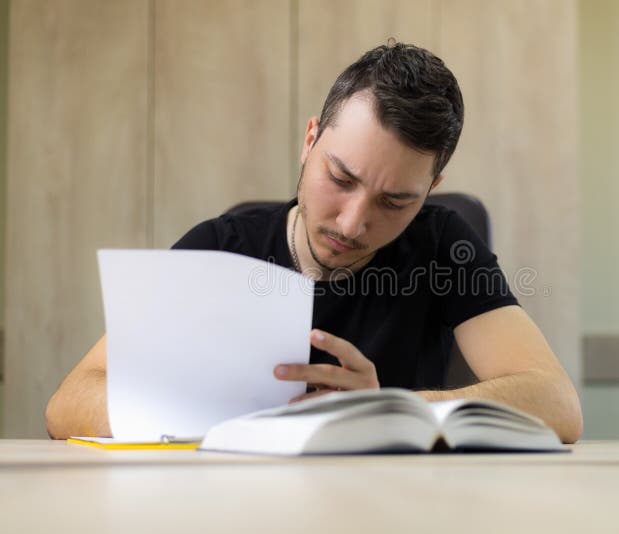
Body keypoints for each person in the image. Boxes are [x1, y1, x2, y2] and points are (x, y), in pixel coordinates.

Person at [45, 43, 582, 443]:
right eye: (341, 178)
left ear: (430, 190)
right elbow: (68, 402)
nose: (352, 224)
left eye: (395, 202)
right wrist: (226, 416)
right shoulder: (218, 249)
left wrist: (388, 409)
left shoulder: (443, 246)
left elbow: (557, 403)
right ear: (310, 141)